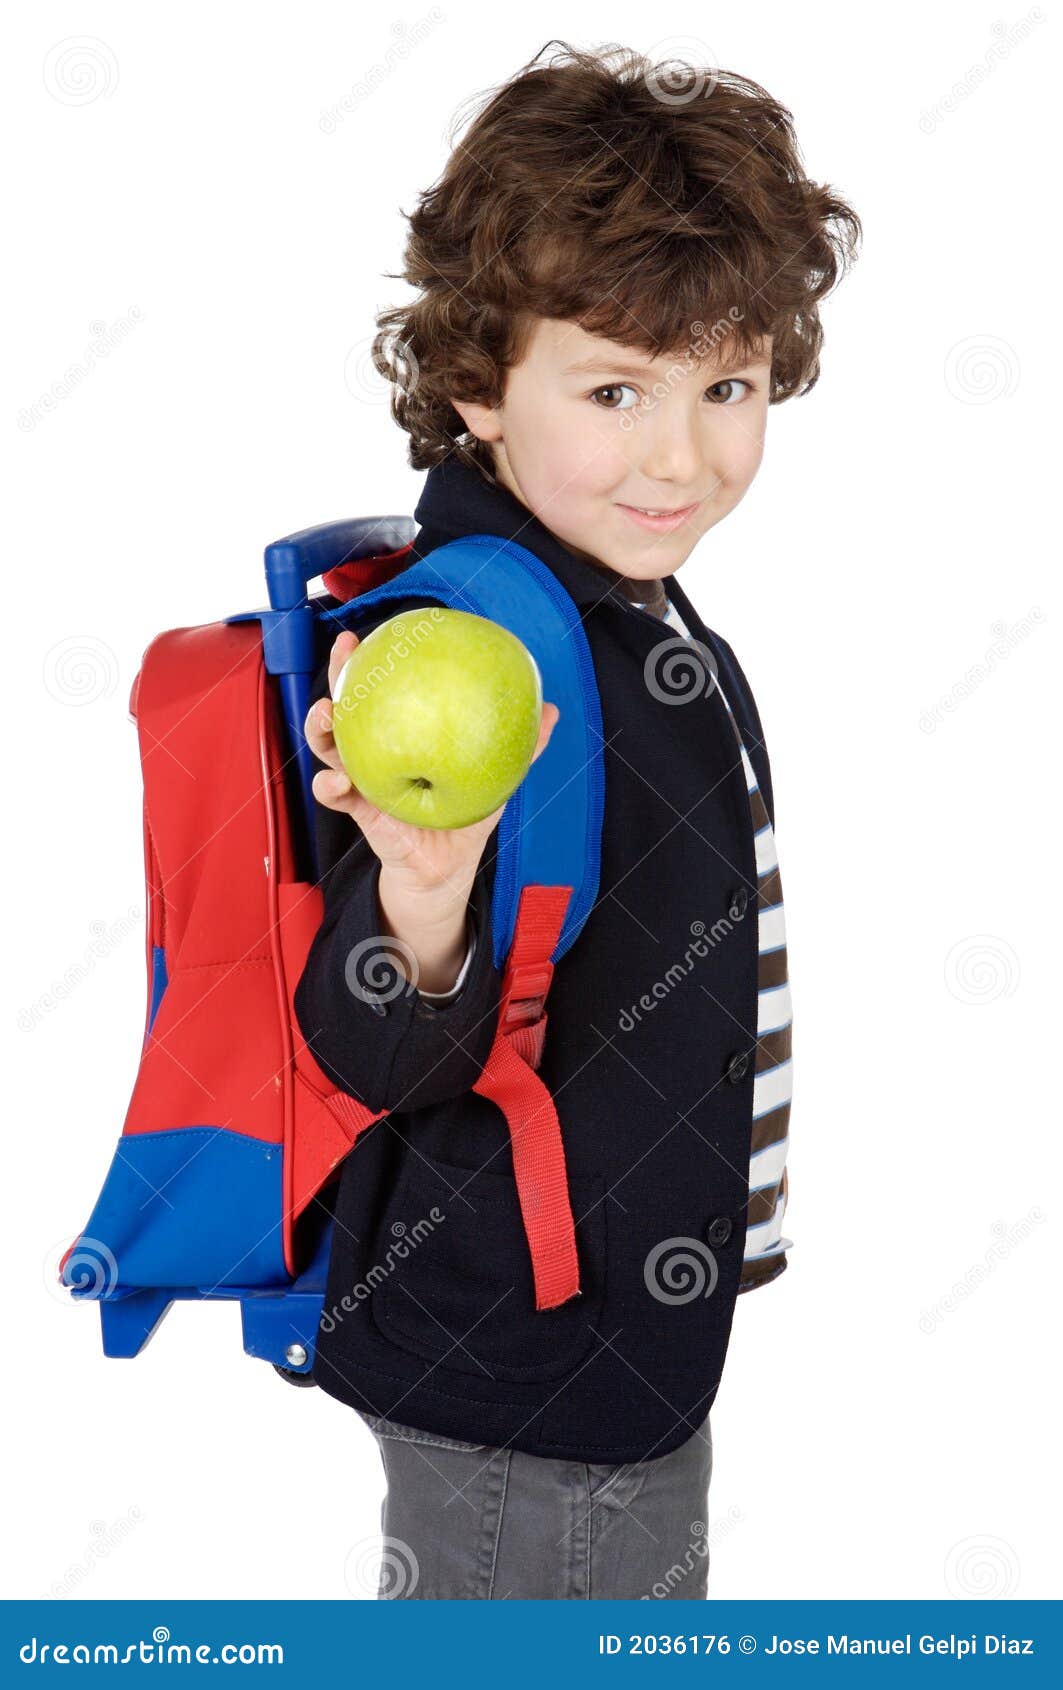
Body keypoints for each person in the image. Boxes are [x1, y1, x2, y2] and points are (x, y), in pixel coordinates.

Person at [294, 40, 861, 1600]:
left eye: (726, 386)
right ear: (479, 379)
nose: (682, 453)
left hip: (614, 1345)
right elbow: (371, 1047)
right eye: (615, 390)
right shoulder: (475, 640)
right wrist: (420, 889)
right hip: (523, 1376)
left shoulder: (624, 612)